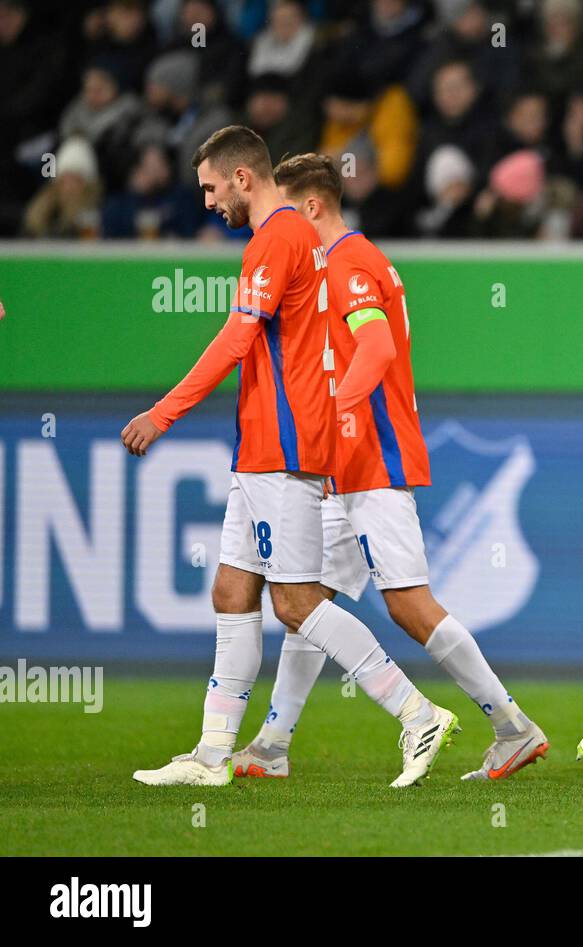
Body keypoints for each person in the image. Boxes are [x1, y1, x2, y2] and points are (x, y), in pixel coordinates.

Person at [121, 125, 456, 788]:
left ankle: (415, 710)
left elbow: (236, 341)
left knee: (297, 603)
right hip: (260, 450)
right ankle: (213, 756)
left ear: (244, 177)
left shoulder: (278, 238)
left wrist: (163, 412)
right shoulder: (290, 240)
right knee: (232, 588)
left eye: (213, 188)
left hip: (284, 450)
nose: (209, 202)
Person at [231, 152, 548, 783]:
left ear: (312, 206)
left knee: (406, 603)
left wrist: (327, 420)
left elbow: (375, 348)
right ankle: (271, 745)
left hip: (369, 456)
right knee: (306, 600)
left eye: (287, 210)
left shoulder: (348, 260)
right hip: (347, 461)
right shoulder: (344, 262)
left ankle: (512, 727)